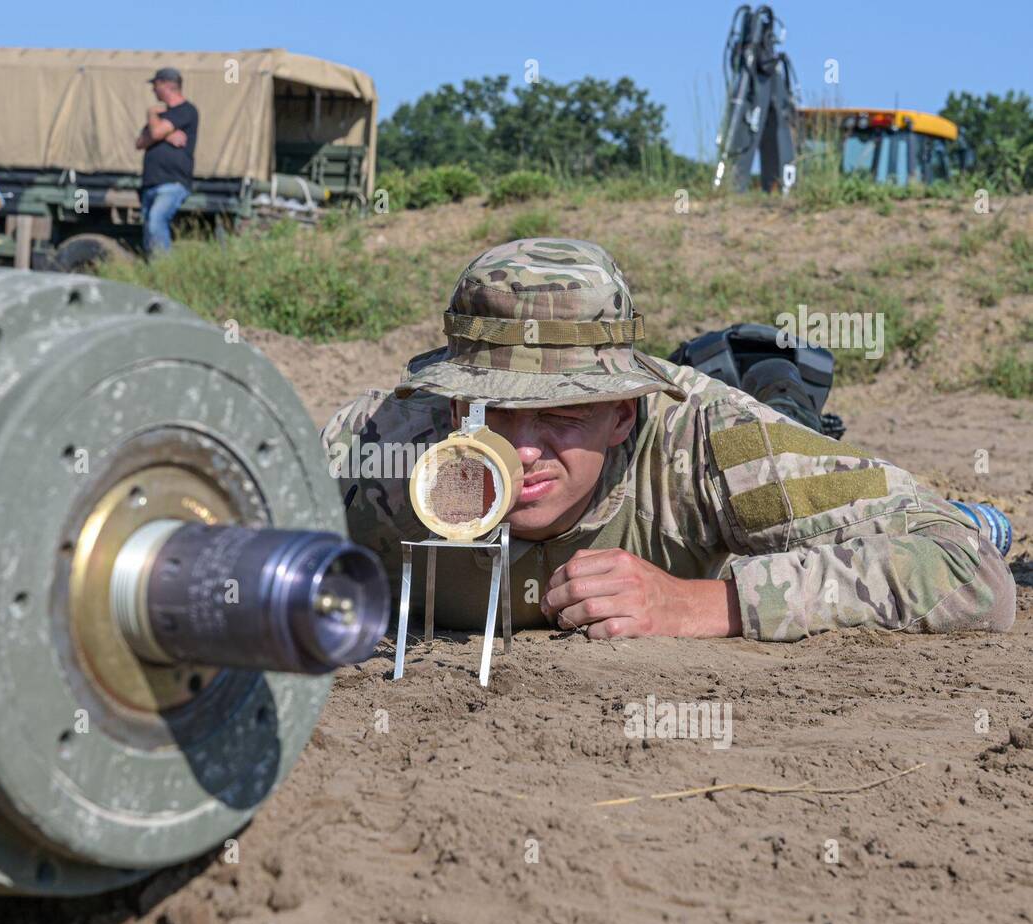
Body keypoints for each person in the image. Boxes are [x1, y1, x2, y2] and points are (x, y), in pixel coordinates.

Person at [321, 238, 1016, 642]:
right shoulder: (375, 449)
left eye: (559, 415)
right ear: (450, 405)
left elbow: (966, 569)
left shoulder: (712, 444)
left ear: (624, 412)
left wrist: (704, 604)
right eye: (491, 412)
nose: (523, 450)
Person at [135, 67, 199, 255]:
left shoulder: (186, 111)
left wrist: (152, 116)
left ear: (166, 85)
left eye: (155, 85)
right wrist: (166, 134)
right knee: (148, 231)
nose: (153, 90)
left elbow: (154, 133)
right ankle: (152, 271)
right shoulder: (162, 116)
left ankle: (164, 269)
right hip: (151, 183)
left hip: (172, 183)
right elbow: (140, 142)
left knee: (157, 220)